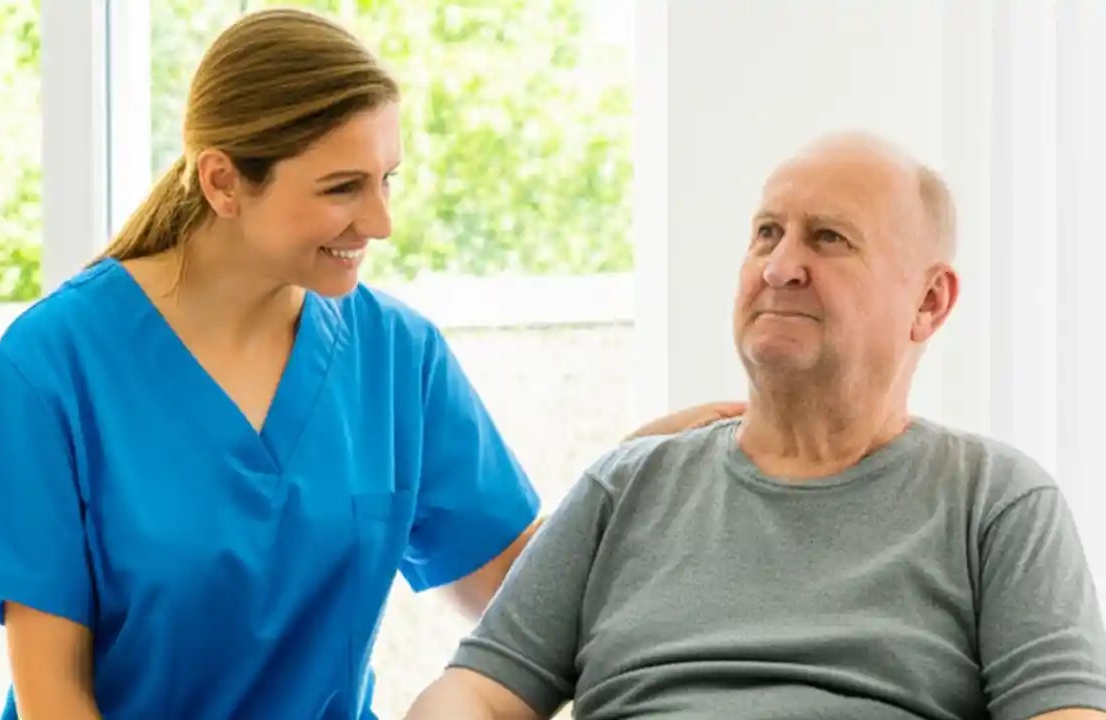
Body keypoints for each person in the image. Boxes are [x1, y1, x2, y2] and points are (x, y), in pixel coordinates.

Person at [0, 8, 740, 720]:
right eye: (342, 188)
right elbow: (53, 699)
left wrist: (631, 475)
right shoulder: (53, 367)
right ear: (223, 181)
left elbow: (515, 592)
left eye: (386, 180)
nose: (380, 221)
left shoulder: (396, 357)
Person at [405, 133, 1106, 720]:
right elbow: (476, 692)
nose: (780, 267)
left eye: (828, 239)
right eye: (767, 233)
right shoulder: (626, 484)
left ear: (928, 301)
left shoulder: (995, 500)